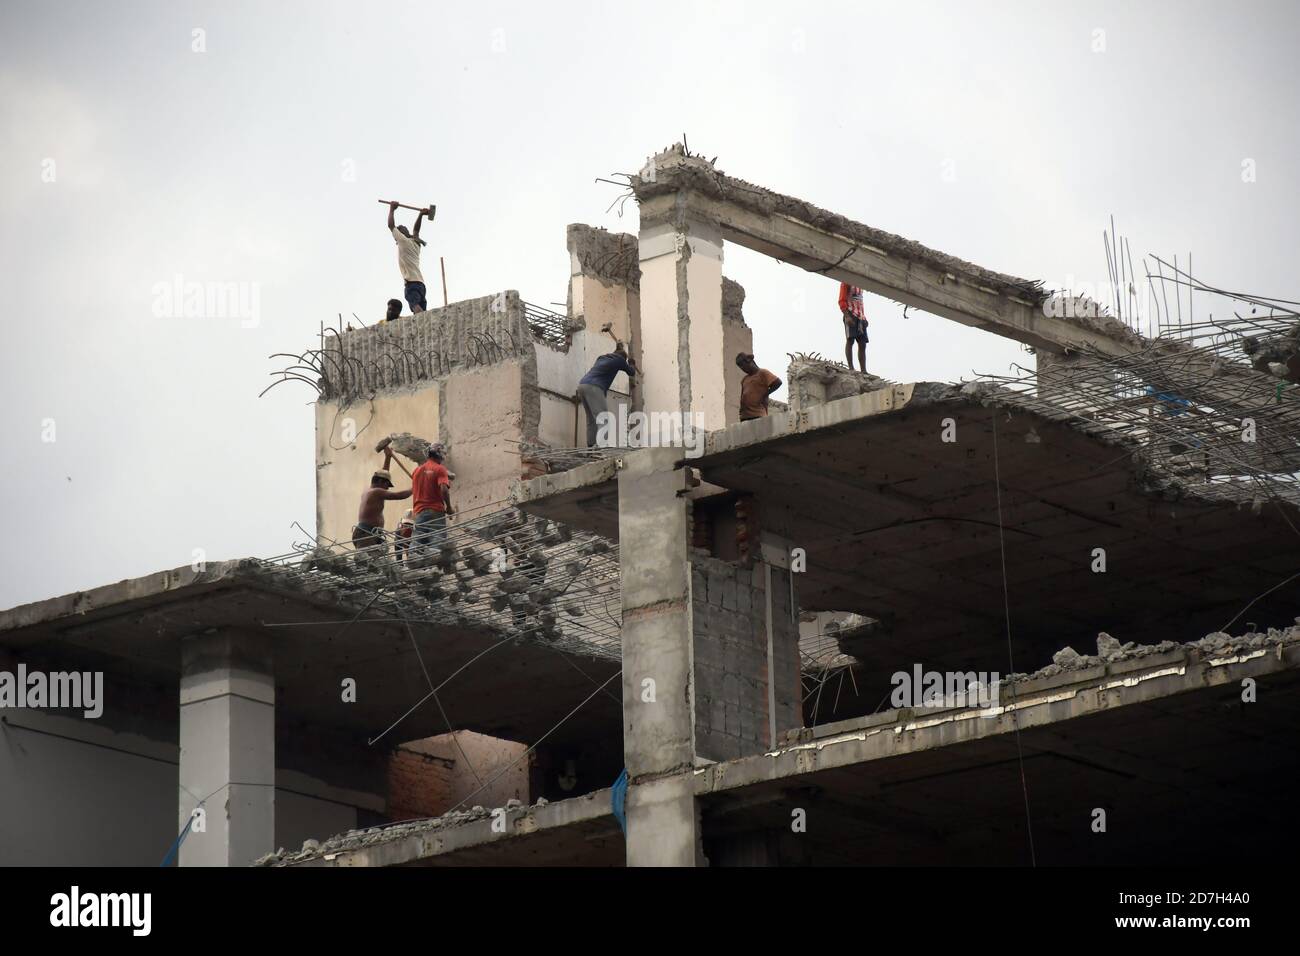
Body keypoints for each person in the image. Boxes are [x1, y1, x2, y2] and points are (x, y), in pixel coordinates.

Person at [577, 342, 638, 447]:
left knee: (591, 419)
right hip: (594, 387)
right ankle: (601, 447)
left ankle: (591, 447)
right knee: (603, 419)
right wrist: (631, 363)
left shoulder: (601, 358)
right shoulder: (620, 360)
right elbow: (631, 372)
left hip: (582, 385)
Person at [354, 450, 412, 553]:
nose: (387, 488)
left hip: (370, 533)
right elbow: (399, 495)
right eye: (387, 485)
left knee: (377, 563)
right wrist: (416, 487)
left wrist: (388, 457)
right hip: (367, 534)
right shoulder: (376, 492)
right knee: (370, 564)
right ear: (380, 482)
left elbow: (384, 473)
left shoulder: (371, 490)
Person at [411, 442, 454, 554]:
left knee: (417, 546)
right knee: (437, 544)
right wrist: (449, 507)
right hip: (435, 511)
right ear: (440, 455)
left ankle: (417, 566)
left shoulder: (416, 471)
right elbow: (444, 489)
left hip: (419, 513)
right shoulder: (440, 469)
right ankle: (435, 569)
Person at [387, 201, 428, 314]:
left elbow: (391, 225)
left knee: (417, 309)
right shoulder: (416, 243)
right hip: (421, 285)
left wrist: (391, 209)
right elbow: (416, 231)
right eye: (401, 228)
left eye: (401, 228)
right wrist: (421, 215)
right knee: (423, 312)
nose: (402, 227)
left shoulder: (403, 241)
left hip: (412, 284)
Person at [736, 353, 782, 422]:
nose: (743, 369)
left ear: (749, 361)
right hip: (745, 416)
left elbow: (778, 382)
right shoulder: (744, 380)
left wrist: (765, 394)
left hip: (758, 413)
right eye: (741, 367)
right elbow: (743, 395)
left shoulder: (763, 373)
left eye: (743, 366)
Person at [839, 282, 869, 371]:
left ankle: (864, 370)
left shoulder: (860, 285)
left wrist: (864, 318)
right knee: (850, 340)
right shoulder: (846, 282)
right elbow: (841, 300)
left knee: (862, 344)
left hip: (860, 317)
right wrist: (847, 316)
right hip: (850, 313)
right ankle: (851, 367)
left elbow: (860, 303)